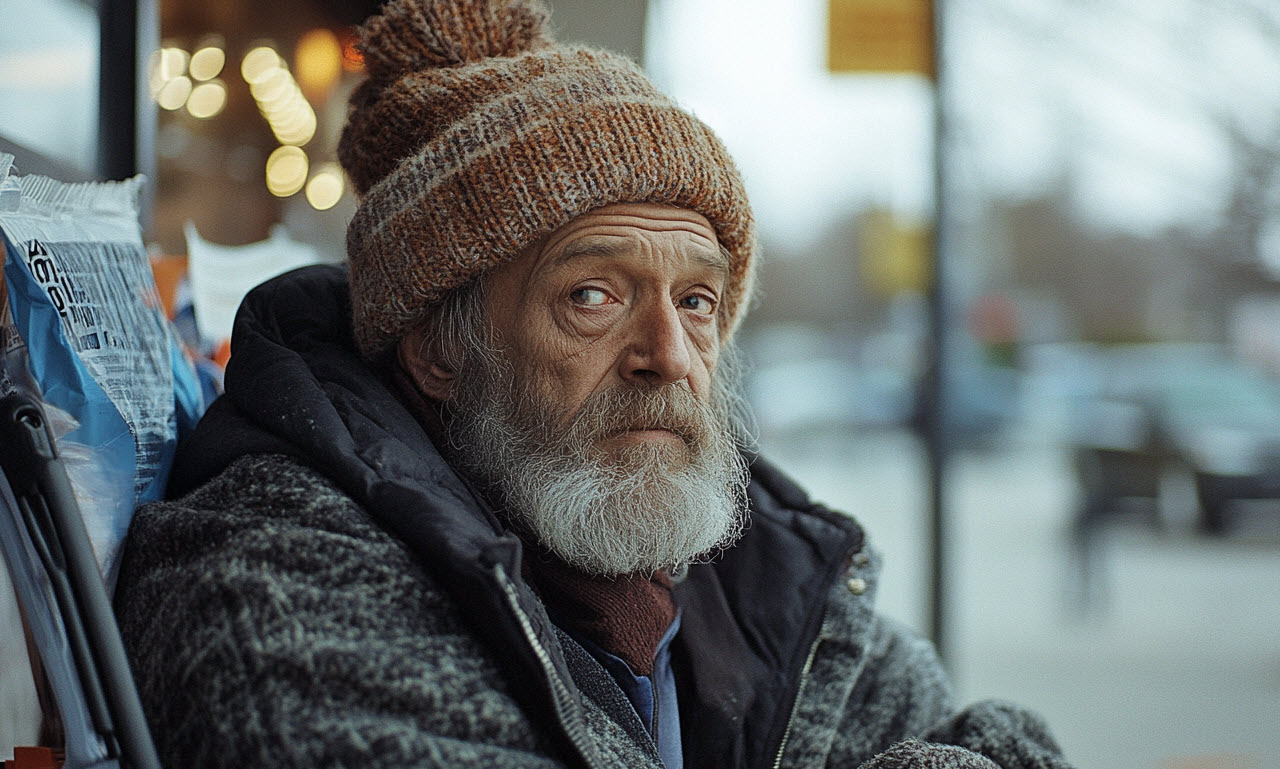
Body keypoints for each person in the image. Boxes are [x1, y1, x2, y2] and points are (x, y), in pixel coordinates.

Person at [114, 1, 1075, 767]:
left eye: (698, 300)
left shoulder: (749, 571)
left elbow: (978, 734)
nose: (668, 352)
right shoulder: (280, 581)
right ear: (436, 351)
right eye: (593, 293)